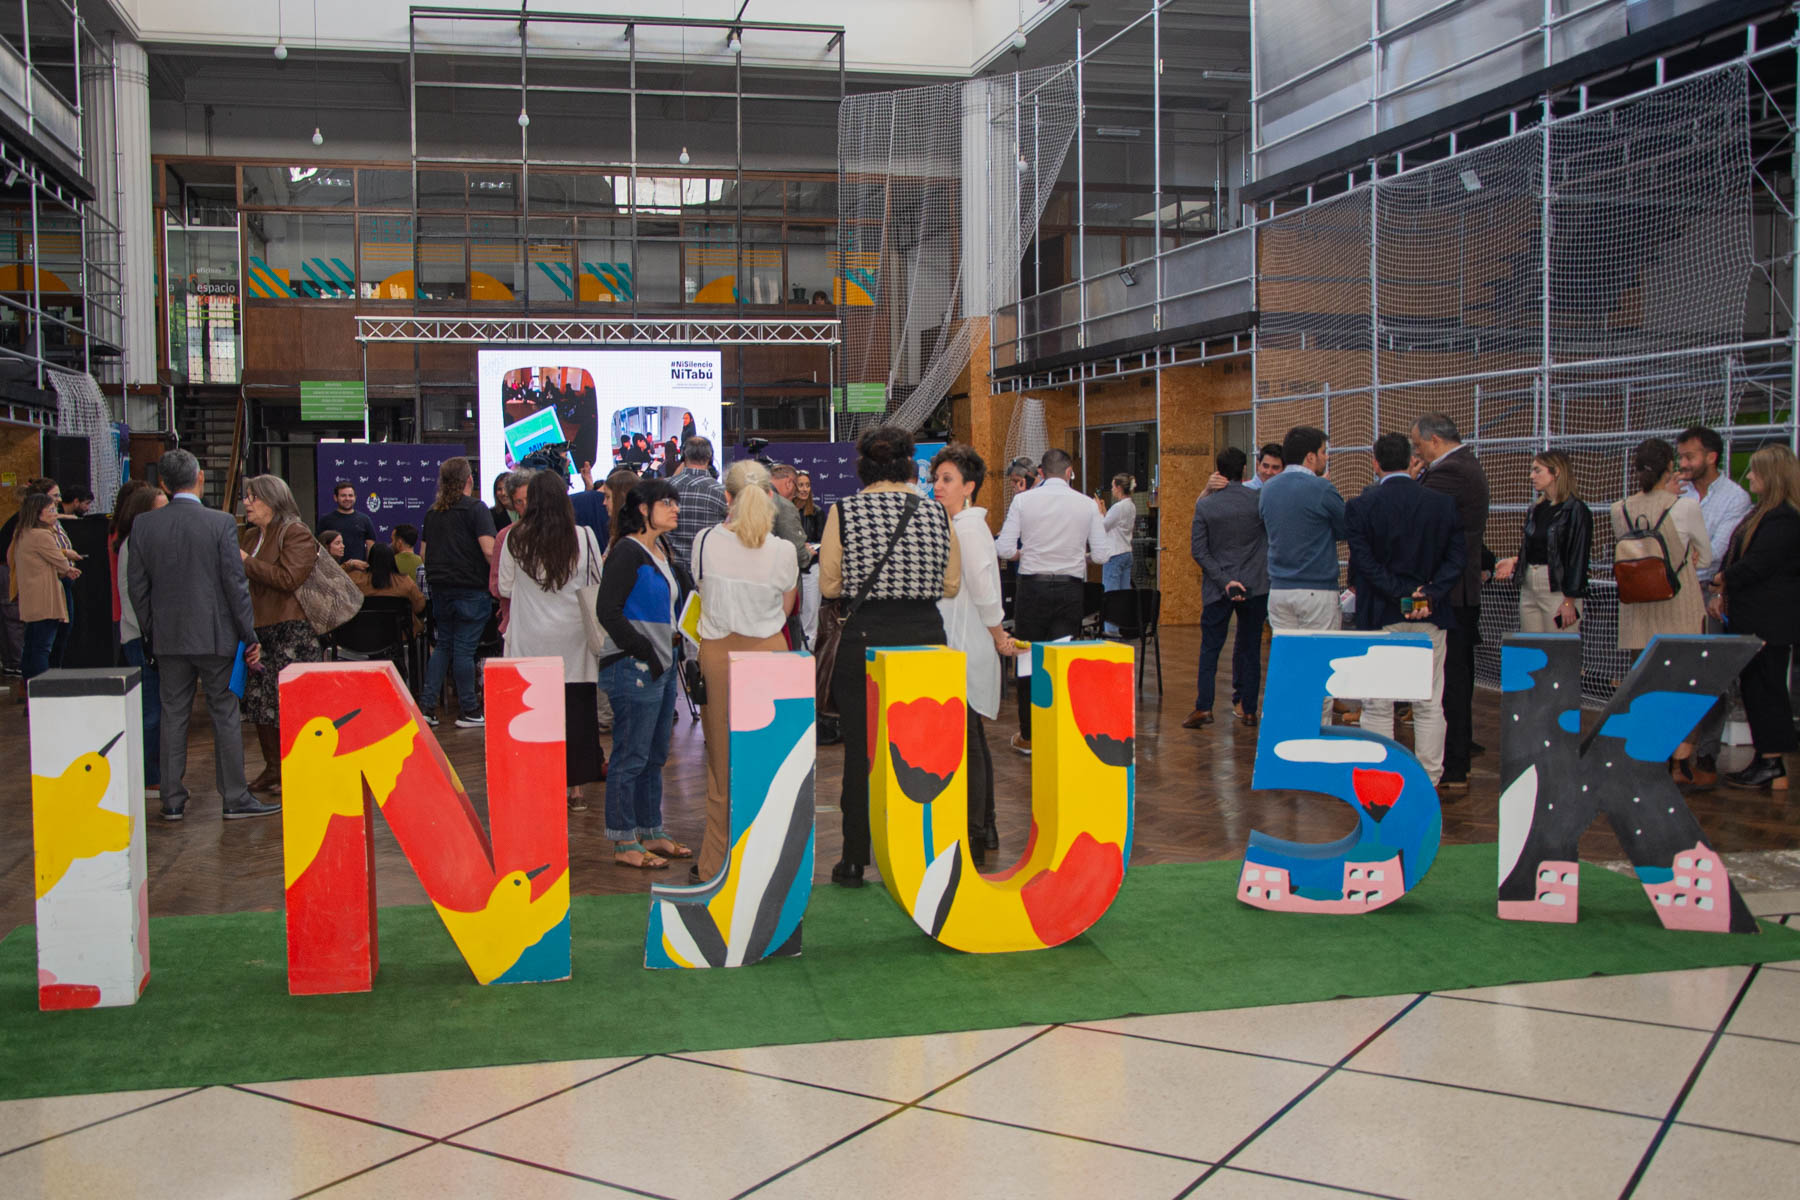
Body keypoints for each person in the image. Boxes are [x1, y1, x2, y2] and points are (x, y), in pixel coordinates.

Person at [820, 425, 962, 886]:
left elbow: (829, 585)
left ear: (863, 466)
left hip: (864, 640)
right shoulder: (936, 512)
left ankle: (853, 858)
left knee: (861, 752)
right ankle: (920, 852)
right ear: (908, 465)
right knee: (923, 749)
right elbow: (951, 584)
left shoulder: (844, 511)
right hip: (925, 638)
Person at [126, 449, 275, 821]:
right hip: (216, 636)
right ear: (200, 478)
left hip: (168, 638)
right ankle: (234, 797)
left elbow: (137, 587)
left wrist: (151, 629)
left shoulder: (143, 525)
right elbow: (235, 585)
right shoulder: (220, 522)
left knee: (173, 714)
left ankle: (172, 799)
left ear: (163, 483)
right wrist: (249, 634)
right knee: (225, 714)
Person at [692, 460, 800, 880]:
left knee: (721, 763)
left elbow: (702, 591)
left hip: (718, 656)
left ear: (727, 497)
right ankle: (767, 860)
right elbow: (786, 609)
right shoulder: (784, 551)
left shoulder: (705, 541)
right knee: (768, 760)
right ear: (770, 496)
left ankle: (715, 862)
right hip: (769, 654)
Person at [1345, 433, 1467, 788]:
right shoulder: (1443, 505)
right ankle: (1428, 780)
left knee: (1377, 702)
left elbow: (1363, 562)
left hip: (1381, 615)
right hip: (1429, 615)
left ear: (1375, 463)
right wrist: (1424, 595)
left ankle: (1382, 777)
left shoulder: (1361, 506)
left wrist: (1402, 595)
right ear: (1413, 462)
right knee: (1429, 701)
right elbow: (1456, 559)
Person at [594, 478, 691, 870]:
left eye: (675, 503)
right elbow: (607, 610)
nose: (675, 509)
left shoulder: (660, 550)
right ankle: (623, 840)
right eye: (666, 503)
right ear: (643, 509)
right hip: (634, 667)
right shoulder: (627, 552)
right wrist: (643, 650)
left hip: (661, 664)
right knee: (630, 755)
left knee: (653, 755)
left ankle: (651, 830)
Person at [932, 444, 1018, 866]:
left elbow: (984, 590)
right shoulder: (958, 525)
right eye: (936, 478)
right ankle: (985, 825)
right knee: (972, 739)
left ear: (968, 487)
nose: (937, 486)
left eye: (947, 479)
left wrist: (1000, 636)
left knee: (970, 740)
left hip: (968, 645)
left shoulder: (966, 528)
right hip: (961, 643)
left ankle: (978, 829)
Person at [500, 471, 607, 812]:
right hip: (574, 639)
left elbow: (504, 587)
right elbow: (596, 582)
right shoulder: (584, 536)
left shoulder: (515, 538)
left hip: (530, 638)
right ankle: (576, 788)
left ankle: (540, 781)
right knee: (577, 713)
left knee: (536, 713)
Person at [994, 447, 1108, 755]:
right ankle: (1059, 731)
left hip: (1032, 588)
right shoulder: (1087, 505)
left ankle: (1029, 735)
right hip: (1070, 590)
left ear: (1041, 473)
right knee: (1061, 660)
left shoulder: (1023, 501)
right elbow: (1101, 555)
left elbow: (1004, 549)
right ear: (1070, 472)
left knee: (1028, 658)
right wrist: (1076, 556)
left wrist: (1025, 553)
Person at [1710, 444, 1800, 790]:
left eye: (1755, 472)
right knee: (1756, 689)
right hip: (1754, 618)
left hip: (1769, 621)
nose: (1749, 477)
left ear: (1772, 476)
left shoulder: (1783, 518)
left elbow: (1759, 563)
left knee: (1767, 690)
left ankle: (1773, 762)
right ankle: (1766, 759)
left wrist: (1722, 580)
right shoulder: (1763, 513)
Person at [1413, 413, 1491, 790]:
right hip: (1458, 589)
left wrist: (1407, 479)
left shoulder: (1452, 471)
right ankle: (1457, 757)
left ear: (1434, 441)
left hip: (1452, 592)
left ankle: (1453, 763)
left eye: (1418, 447)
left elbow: (1417, 511)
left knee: (1451, 681)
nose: (1417, 455)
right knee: (1455, 677)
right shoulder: (1463, 465)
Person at [1676, 425, 1754, 788]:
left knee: (1710, 678)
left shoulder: (1735, 498)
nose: (1683, 463)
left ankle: (1705, 755)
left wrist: (1684, 558)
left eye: (1689, 456)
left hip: (1709, 595)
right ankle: (1676, 757)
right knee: (1676, 676)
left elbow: (1716, 551)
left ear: (1711, 457)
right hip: (1674, 594)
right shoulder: (1678, 491)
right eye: (1680, 456)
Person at [241, 475, 324, 797]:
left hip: (291, 632)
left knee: (292, 705)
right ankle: (274, 767)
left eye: (253, 497)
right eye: (246, 496)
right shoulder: (250, 536)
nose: (246, 503)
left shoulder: (295, 532)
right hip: (258, 631)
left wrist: (247, 563)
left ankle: (299, 769)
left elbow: (290, 578)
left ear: (272, 500)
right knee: (261, 704)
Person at [1260, 425, 1347, 724]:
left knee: (1287, 666)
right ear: (1310, 457)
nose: (1326, 457)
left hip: (1279, 591)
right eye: (1323, 452)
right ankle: (1315, 733)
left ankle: (1289, 731)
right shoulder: (1322, 489)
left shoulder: (1268, 489)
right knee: (1318, 667)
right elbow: (1346, 528)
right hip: (1317, 591)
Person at [1186, 447, 1269, 730]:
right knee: (1250, 648)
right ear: (1245, 470)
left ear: (1218, 471)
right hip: (1255, 585)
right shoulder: (1259, 501)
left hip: (1217, 588)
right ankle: (1249, 710)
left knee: (1210, 649)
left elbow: (1199, 551)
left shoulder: (1206, 506)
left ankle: (1203, 707)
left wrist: (1224, 580)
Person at [1612, 437, 1710, 659]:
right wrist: (1689, 556)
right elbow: (1705, 558)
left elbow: (1633, 552)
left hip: (1637, 612)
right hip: (1680, 609)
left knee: (1643, 676)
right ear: (1670, 466)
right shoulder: (1685, 506)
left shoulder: (1619, 509)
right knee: (1682, 674)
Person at [420, 456, 497, 728]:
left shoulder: (433, 512)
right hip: (471, 589)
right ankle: (469, 710)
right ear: (469, 480)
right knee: (464, 650)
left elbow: (424, 554)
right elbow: (489, 550)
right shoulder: (476, 509)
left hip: (440, 590)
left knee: (443, 646)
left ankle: (427, 708)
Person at [1494, 451, 1591, 634]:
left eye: (1537, 470)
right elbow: (1539, 548)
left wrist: (1569, 600)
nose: (1532, 476)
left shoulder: (1575, 509)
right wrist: (1514, 561)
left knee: (1557, 646)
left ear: (1556, 472)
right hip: (1529, 585)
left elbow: (1578, 557)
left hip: (1557, 588)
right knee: (1531, 645)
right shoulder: (1535, 509)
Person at [113, 485, 167, 797]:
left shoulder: (146, 542)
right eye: (160, 508)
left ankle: (154, 774)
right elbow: (133, 598)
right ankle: (149, 776)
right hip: (141, 639)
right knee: (150, 711)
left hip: (150, 637)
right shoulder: (133, 545)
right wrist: (151, 635)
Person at [8, 494, 79, 681]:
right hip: (46, 599)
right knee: (43, 647)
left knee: (31, 646)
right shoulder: (42, 535)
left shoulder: (21, 533)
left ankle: (29, 686)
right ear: (39, 514)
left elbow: (10, 557)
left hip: (29, 597)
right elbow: (60, 561)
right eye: (51, 510)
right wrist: (68, 568)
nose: (55, 514)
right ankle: (42, 689)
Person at [668, 436, 729, 567]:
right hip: (708, 568)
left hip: (672, 569)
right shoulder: (722, 493)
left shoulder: (665, 487)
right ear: (710, 458)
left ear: (683, 456)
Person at [486, 471, 532, 634]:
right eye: (519, 501)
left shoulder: (553, 532)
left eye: (528, 499)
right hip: (514, 617)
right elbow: (497, 585)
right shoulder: (504, 535)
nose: (525, 505)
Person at [347, 543, 427, 634]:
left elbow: (336, 577)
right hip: (399, 634)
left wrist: (350, 564)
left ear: (370, 559)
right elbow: (419, 606)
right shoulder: (405, 582)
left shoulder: (357, 580)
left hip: (364, 633)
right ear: (392, 560)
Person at [1099, 473, 1136, 635]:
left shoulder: (1118, 507)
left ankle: (1111, 630)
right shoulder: (1131, 506)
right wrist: (1104, 512)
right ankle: (1123, 626)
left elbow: (1103, 526)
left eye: (1113, 486)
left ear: (1119, 488)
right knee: (1122, 594)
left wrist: (1099, 512)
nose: (1112, 489)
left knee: (1111, 594)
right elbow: (1114, 524)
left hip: (1114, 554)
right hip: (1126, 552)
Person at [765, 463, 814, 578]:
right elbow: (799, 555)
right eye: (796, 489)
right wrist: (808, 553)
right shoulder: (784, 506)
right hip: (778, 579)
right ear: (788, 483)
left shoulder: (749, 496)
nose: (795, 495)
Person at [794, 470, 825, 648]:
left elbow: (822, 540)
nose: (804, 489)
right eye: (801, 485)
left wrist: (810, 548)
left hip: (811, 569)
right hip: (791, 570)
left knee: (811, 617)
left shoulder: (817, 512)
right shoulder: (786, 512)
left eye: (807, 485)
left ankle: (809, 654)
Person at [317, 480, 376, 555]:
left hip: (359, 563)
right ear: (335, 497)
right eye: (343, 496)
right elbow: (319, 547)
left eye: (350, 495)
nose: (347, 498)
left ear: (355, 497)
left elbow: (370, 548)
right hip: (332, 563)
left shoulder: (365, 520)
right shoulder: (325, 520)